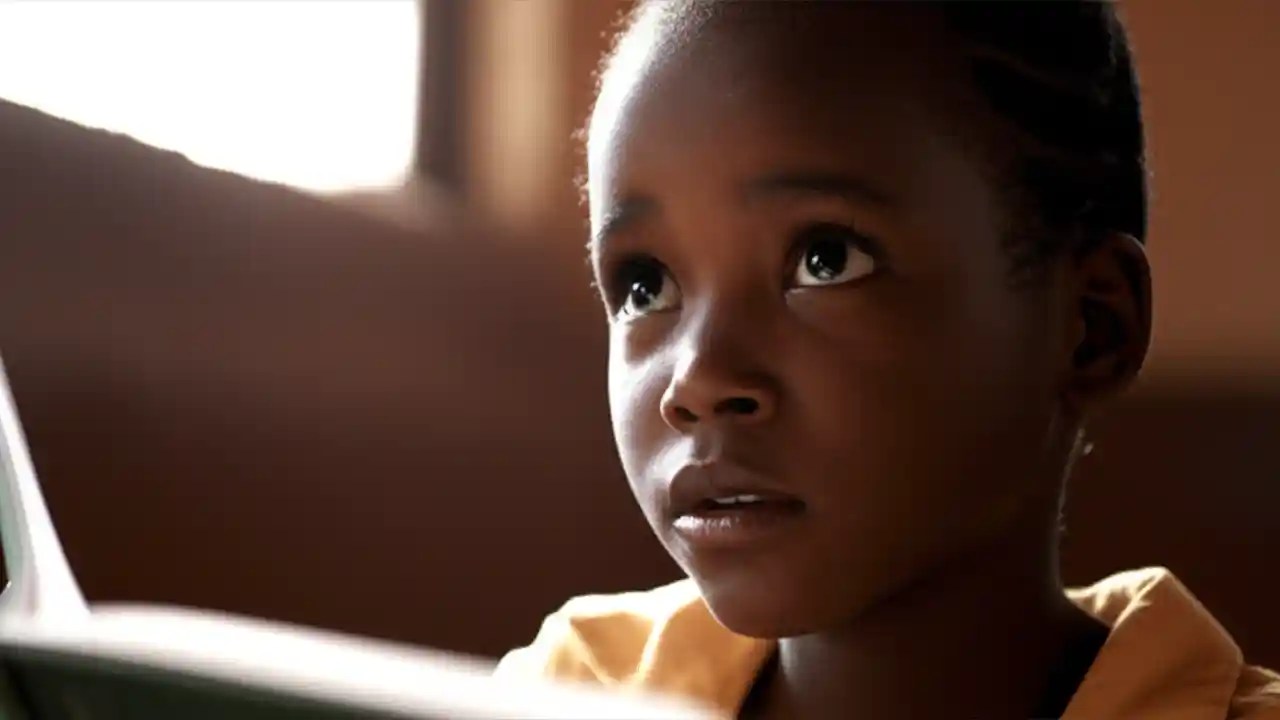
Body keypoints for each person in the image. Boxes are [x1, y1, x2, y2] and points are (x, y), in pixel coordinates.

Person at [495, 2, 1280, 718]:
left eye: (826, 260)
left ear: (1089, 328)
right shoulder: (576, 694)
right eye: (644, 284)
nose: (697, 379)